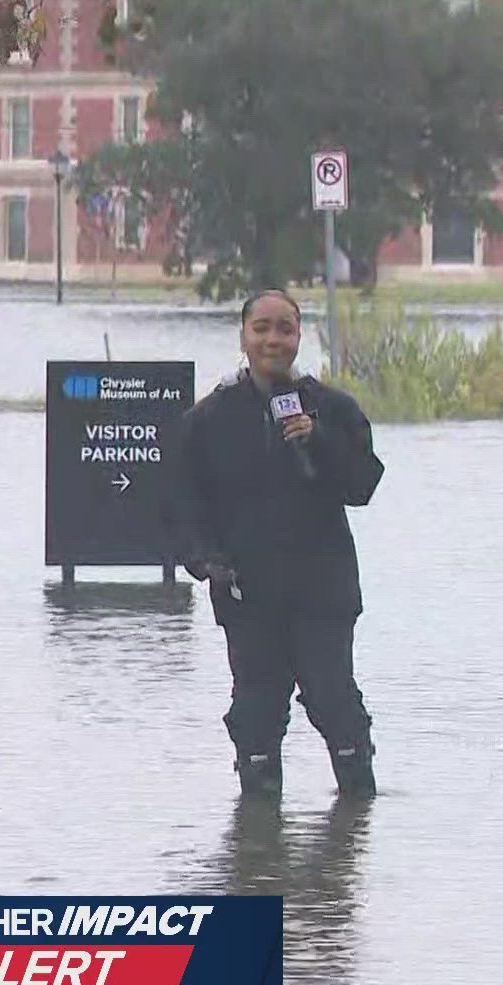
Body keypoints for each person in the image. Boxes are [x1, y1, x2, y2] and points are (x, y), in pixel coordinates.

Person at [173, 289, 385, 799]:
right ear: (243, 336)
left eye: (285, 329)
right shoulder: (207, 420)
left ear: (299, 337)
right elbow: (181, 504)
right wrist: (204, 561)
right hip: (247, 591)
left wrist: (318, 440)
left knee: (333, 701)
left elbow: (362, 485)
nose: (273, 340)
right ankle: (257, 834)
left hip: (323, 589)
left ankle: (355, 816)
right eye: (262, 328)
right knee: (256, 711)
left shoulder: (333, 408)